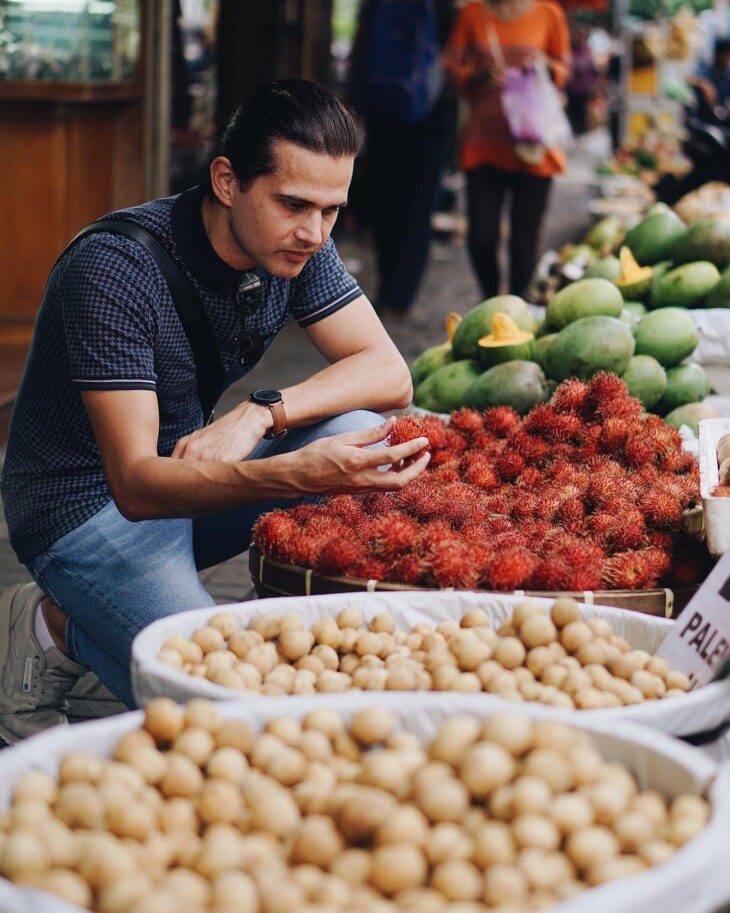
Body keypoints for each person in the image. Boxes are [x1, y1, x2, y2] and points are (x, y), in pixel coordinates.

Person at [0, 77, 430, 743]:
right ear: (227, 181)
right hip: (83, 510)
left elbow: (389, 373)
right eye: (294, 203)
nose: (315, 231)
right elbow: (137, 485)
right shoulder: (113, 270)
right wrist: (299, 472)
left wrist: (262, 413)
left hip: (187, 475)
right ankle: (54, 626)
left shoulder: (295, 241)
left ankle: (198, 622)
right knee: (223, 708)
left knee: (374, 434)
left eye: (332, 209)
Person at [442, 0, 571, 300]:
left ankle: (516, 307)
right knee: (481, 237)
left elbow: (565, 70)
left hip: (534, 144)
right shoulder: (472, 14)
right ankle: (491, 298)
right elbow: (450, 67)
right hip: (483, 143)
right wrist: (479, 76)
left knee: (524, 242)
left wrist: (543, 66)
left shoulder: (549, 13)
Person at [348, 0, 459, 320]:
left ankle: (386, 290)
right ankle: (401, 295)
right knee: (418, 204)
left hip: (382, 110)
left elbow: (361, 52)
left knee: (385, 200)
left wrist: (356, 102)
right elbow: (452, 64)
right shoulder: (444, 8)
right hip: (430, 113)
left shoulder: (376, 5)